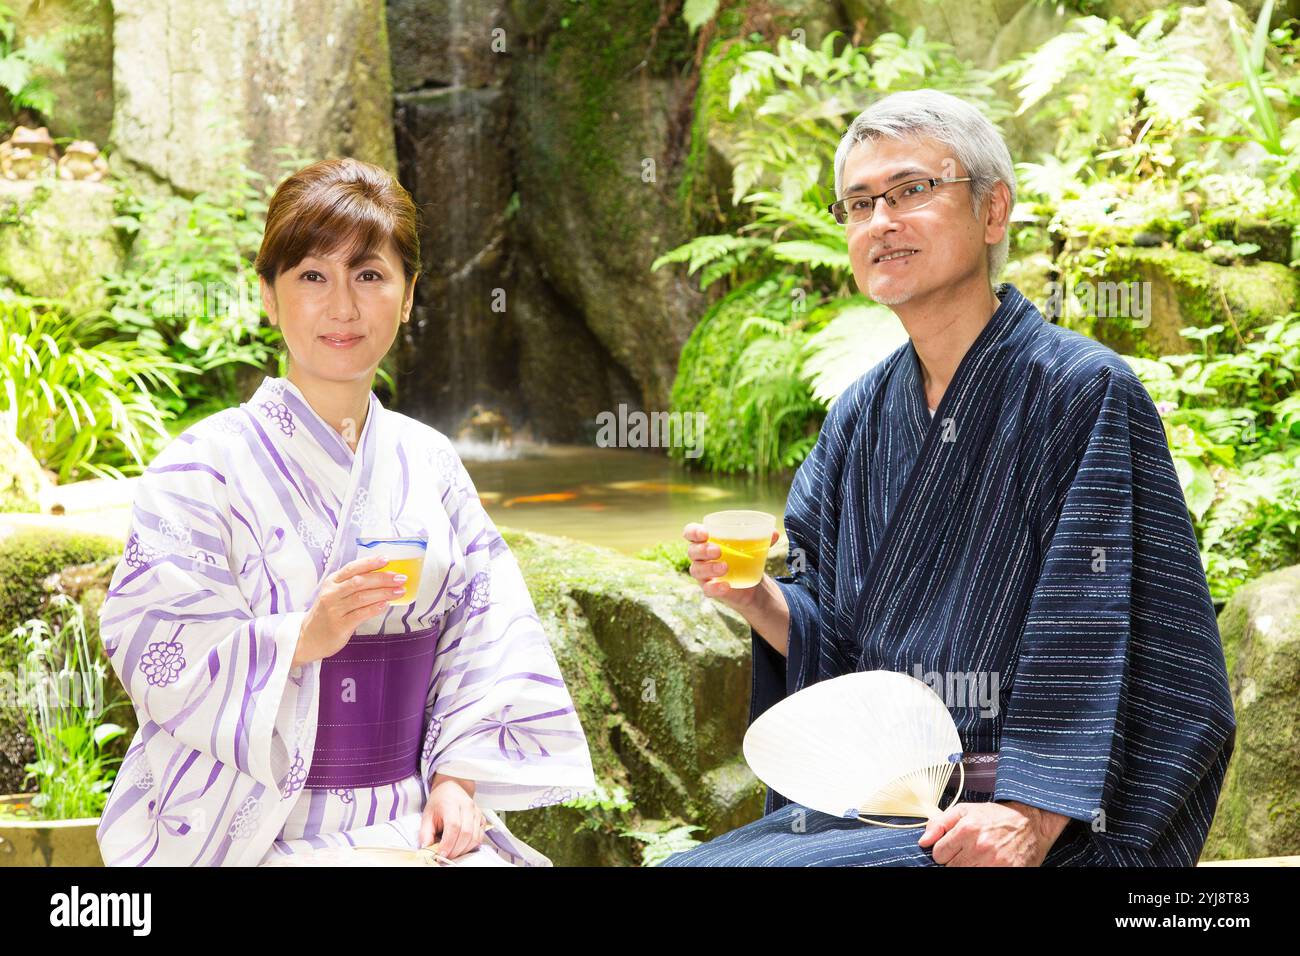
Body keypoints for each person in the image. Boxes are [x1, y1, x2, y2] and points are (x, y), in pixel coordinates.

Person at [664, 89, 1236, 867]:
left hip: (1038, 812)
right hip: (888, 799)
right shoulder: (860, 415)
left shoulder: (1082, 391)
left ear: (992, 211)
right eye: (859, 204)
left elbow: (1105, 627)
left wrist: (1031, 817)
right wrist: (756, 597)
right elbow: (844, 657)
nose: (881, 221)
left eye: (912, 191)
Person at [95, 158, 596, 867]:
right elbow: (154, 647)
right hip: (253, 828)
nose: (343, 306)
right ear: (267, 295)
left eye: (369, 275)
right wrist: (300, 637)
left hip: (411, 819)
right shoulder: (198, 470)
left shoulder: (430, 463)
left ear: (409, 293)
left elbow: (488, 631)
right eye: (311, 277)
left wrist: (456, 778)